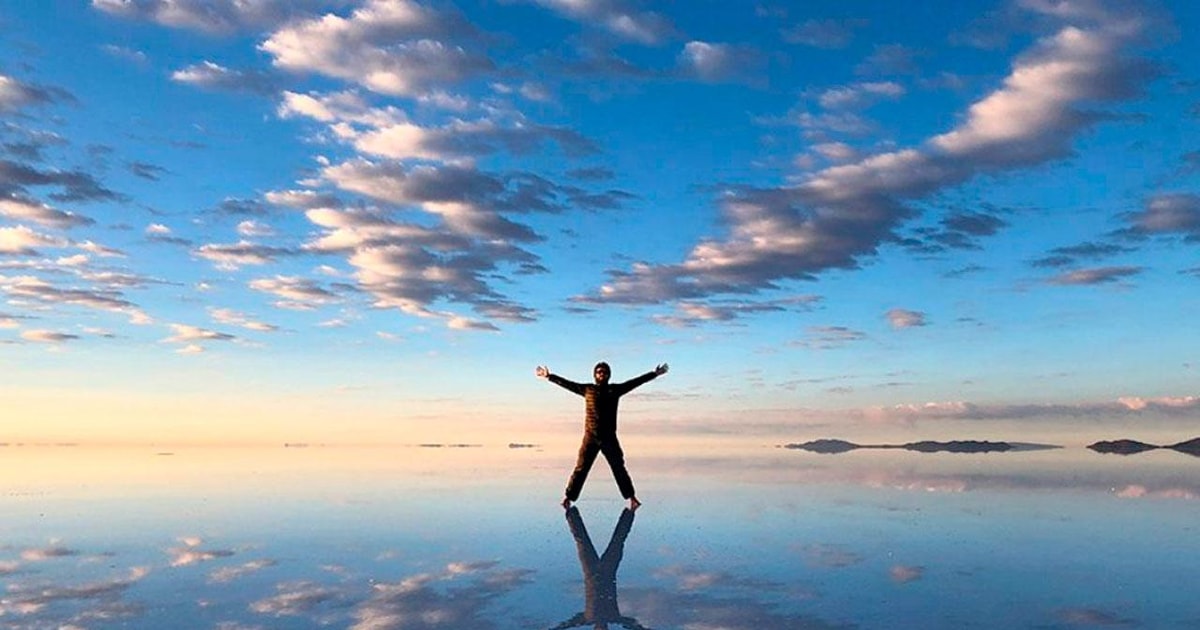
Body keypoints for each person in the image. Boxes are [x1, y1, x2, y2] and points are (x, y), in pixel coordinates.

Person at [536, 361, 668, 510]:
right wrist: (549, 376)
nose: (602, 374)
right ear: (595, 375)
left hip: (609, 438)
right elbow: (568, 384)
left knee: (619, 468)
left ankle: (631, 497)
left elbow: (635, 382)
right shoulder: (587, 389)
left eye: (604, 372)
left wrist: (654, 374)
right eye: (599, 372)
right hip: (590, 438)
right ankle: (568, 497)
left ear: (608, 375)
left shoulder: (615, 390)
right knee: (581, 469)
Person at [547, 506, 650, 630]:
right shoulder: (613, 617)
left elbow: (568, 624)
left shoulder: (587, 618)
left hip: (590, 570)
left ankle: (569, 510)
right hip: (608, 570)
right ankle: (631, 510)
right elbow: (632, 625)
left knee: (582, 540)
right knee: (617, 541)